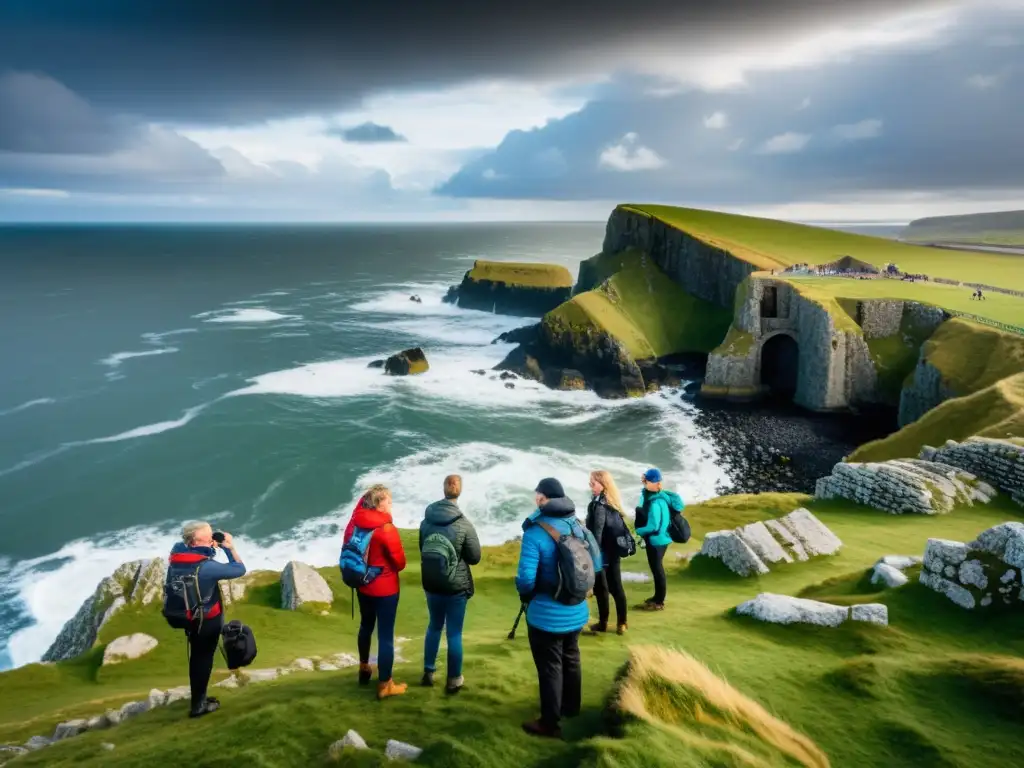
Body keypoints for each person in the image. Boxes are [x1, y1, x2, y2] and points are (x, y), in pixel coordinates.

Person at [515, 477, 590, 739]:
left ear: (541, 499)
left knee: (550, 666)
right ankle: (571, 707)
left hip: (546, 614)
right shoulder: (577, 525)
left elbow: (525, 579)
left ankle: (549, 722)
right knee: (571, 656)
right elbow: (597, 562)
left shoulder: (535, 532)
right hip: (577, 608)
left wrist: (526, 594)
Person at [167, 521, 246, 718]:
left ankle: (199, 699)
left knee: (197, 658)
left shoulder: (177, 559)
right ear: (199, 540)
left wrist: (210, 549)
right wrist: (229, 548)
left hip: (188, 617)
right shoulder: (207, 567)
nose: (213, 538)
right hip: (207, 620)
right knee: (203, 659)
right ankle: (199, 706)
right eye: (210, 536)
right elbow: (239, 569)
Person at [342, 484, 408, 699]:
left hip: (363, 585)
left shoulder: (354, 523)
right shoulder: (386, 529)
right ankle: (385, 684)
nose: (391, 505)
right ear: (379, 504)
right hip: (386, 590)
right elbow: (400, 563)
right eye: (388, 501)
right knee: (386, 636)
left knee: (366, 626)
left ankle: (364, 668)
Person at [419, 474, 482, 694]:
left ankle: (428, 671)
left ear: (444, 490)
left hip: (432, 583)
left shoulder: (426, 521)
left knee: (434, 626)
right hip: (456, 586)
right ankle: (454, 679)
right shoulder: (464, 523)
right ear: (459, 491)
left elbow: (422, 548)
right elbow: (475, 557)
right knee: (454, 633)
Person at [585, 470, 629, 635]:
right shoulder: (611, 502)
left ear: (603, 485)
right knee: (615, 587)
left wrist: (591, 552)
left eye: (593, 483)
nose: (591, 486)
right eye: (590, 482)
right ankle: (621, 623)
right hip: (613, 551)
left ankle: (604, 623)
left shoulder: (599, 505)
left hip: (601, 552)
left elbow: (597, 532)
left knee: (603, 588)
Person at [633, 468, 678, 611]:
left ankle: (659, 601)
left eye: (646, 481)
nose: (644, 483)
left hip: (656, 540)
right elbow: (645, 496)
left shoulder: (655, 503)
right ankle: (657, 598)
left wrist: (638, 531)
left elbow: (653, 525)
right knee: (657, 569)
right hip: (662, 539)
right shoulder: (660, 496)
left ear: (654, 483)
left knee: (657, 570)